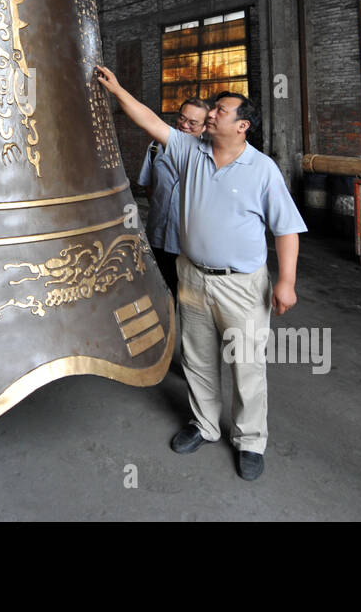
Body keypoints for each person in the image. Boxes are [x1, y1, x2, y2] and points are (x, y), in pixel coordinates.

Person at [96, 65, 306, 481]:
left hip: (242, 285)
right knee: (197, 359)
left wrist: (286, 281)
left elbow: (286, 229)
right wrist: (119, 90)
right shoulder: (189, 150)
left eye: (220, 111)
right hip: (192, 275)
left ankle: (249, 440)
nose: (211, 115)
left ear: (242, 125)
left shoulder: (262, 169)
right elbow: (152, 122)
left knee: (246, 366)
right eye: (212, 110)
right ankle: (205, 425)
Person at [138, 97, 209, 296]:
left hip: (191, 244)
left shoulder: (211, 154)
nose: (184, 125)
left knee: (192, 302)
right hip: (158, 237)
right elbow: (149, 186)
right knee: (162, 295)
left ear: (204, 127)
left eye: (193, 123)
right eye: (181, 118)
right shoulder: (155, 147)